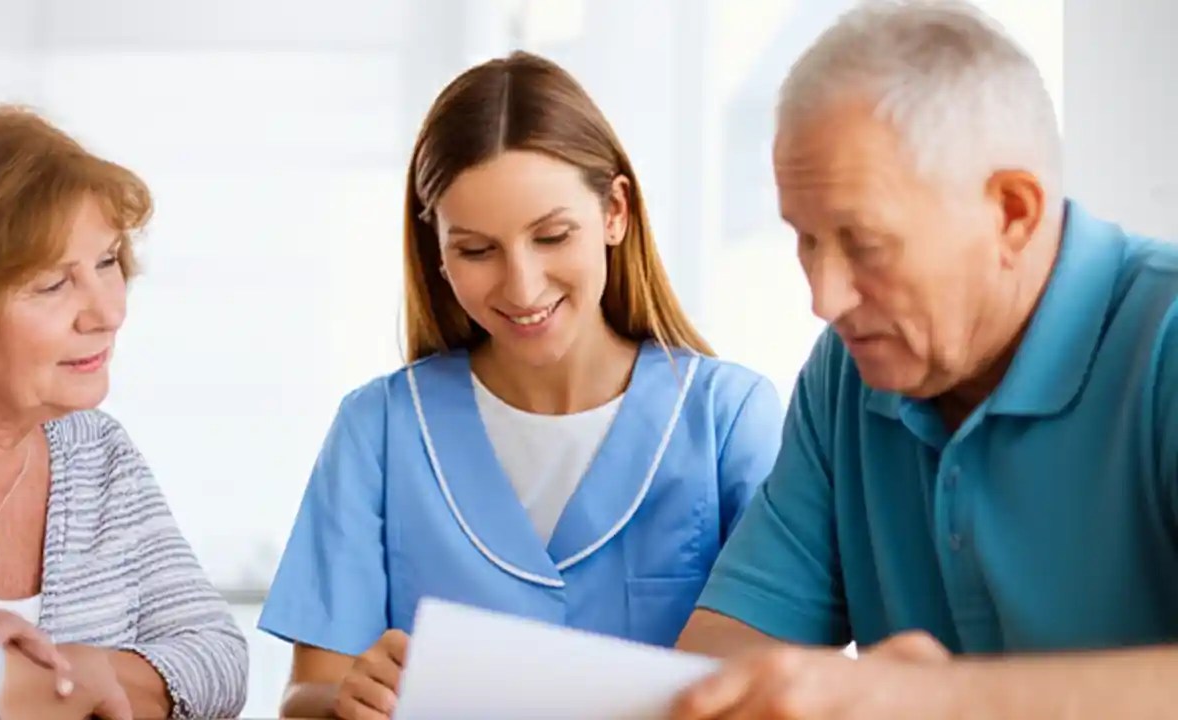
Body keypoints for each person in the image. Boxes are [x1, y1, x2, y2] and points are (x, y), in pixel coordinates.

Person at [667, 1, 1178, 718]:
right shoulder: (847, 373)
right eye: (805, 239)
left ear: (1013, 212)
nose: (824, 296)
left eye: (864, 244)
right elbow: (726, 647)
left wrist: (937, 701)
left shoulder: (1165, 338)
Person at [257, 50, 784, 719]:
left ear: (615, 212)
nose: (522, 286)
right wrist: (345, 700)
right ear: (438, 250)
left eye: (553, 236)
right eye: (477, 251)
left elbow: (790, 679)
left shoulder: (729, 420)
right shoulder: (380, 429)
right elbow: (306, 694)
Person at [0, 105, 248, 720]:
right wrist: (85, 685)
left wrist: (68, 675)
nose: (106, 313)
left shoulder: (95, 450)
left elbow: (219, 661)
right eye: (52, 285)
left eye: (108, 262)